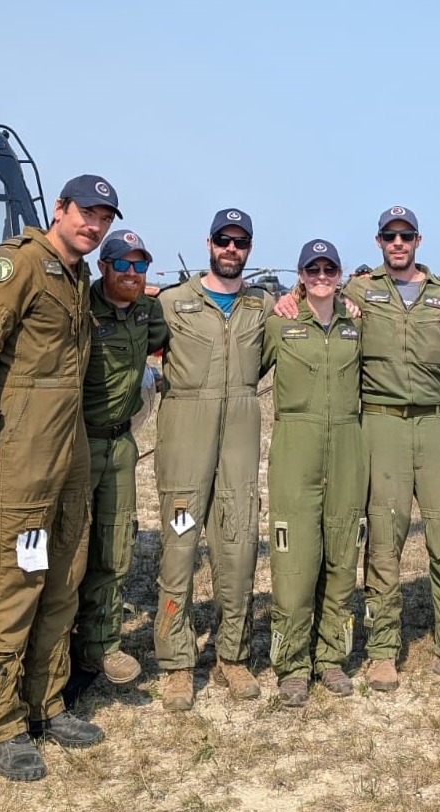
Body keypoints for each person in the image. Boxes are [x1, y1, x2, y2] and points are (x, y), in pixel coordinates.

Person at [0, 174, 121, 781]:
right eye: (85, 214)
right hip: (22, 453)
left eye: (103, 218)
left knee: (62, 574)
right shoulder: (16, 266)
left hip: (67, 448)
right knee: (16, 579)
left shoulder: (75, 278)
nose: (93, 227)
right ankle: (2, 724)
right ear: (59, 209)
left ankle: (48, 703)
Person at [278, 206, 440, 692]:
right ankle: (381, 651)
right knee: (382, 544)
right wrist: (287, 299)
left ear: (419, 239)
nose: (398, 243)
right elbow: (315, 294)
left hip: (437, 425)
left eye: (406, 235)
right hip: (379, 425)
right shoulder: (358, 289)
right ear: (378, 241)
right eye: (389, 236)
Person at [153, 208, 274, 711]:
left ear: (248, 249)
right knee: (180, 547)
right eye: (224, 240)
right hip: (186, 434)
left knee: (239, 546)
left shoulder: (263, 307)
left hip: (241, 432)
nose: (231, 249)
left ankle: (233, 655)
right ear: (208, 244)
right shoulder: (172, 303)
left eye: (240, 242)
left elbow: (274, 353)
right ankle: (177, 663)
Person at [260, 239, 367, 707]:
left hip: (347, 445)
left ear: (340, 274)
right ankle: (293, 665)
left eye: (329, 268)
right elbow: (245, 372)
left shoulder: (356, 324)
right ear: (301, 275)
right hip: (296, 446)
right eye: (313, 268)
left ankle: (331, 659)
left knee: (342, 556)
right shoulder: (281, 323)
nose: (322, 274)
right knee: (294, 560)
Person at [69, 229, 167, 688]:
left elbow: (168, 341)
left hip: (122, 442)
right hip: (77, 442)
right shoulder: (80, 307)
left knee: (115, 546)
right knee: (68, 545)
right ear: (104, 266)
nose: (132, 274)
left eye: (140, 265)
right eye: (123, 265)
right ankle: (54, 648)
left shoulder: (149, 310)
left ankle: (102, 644)